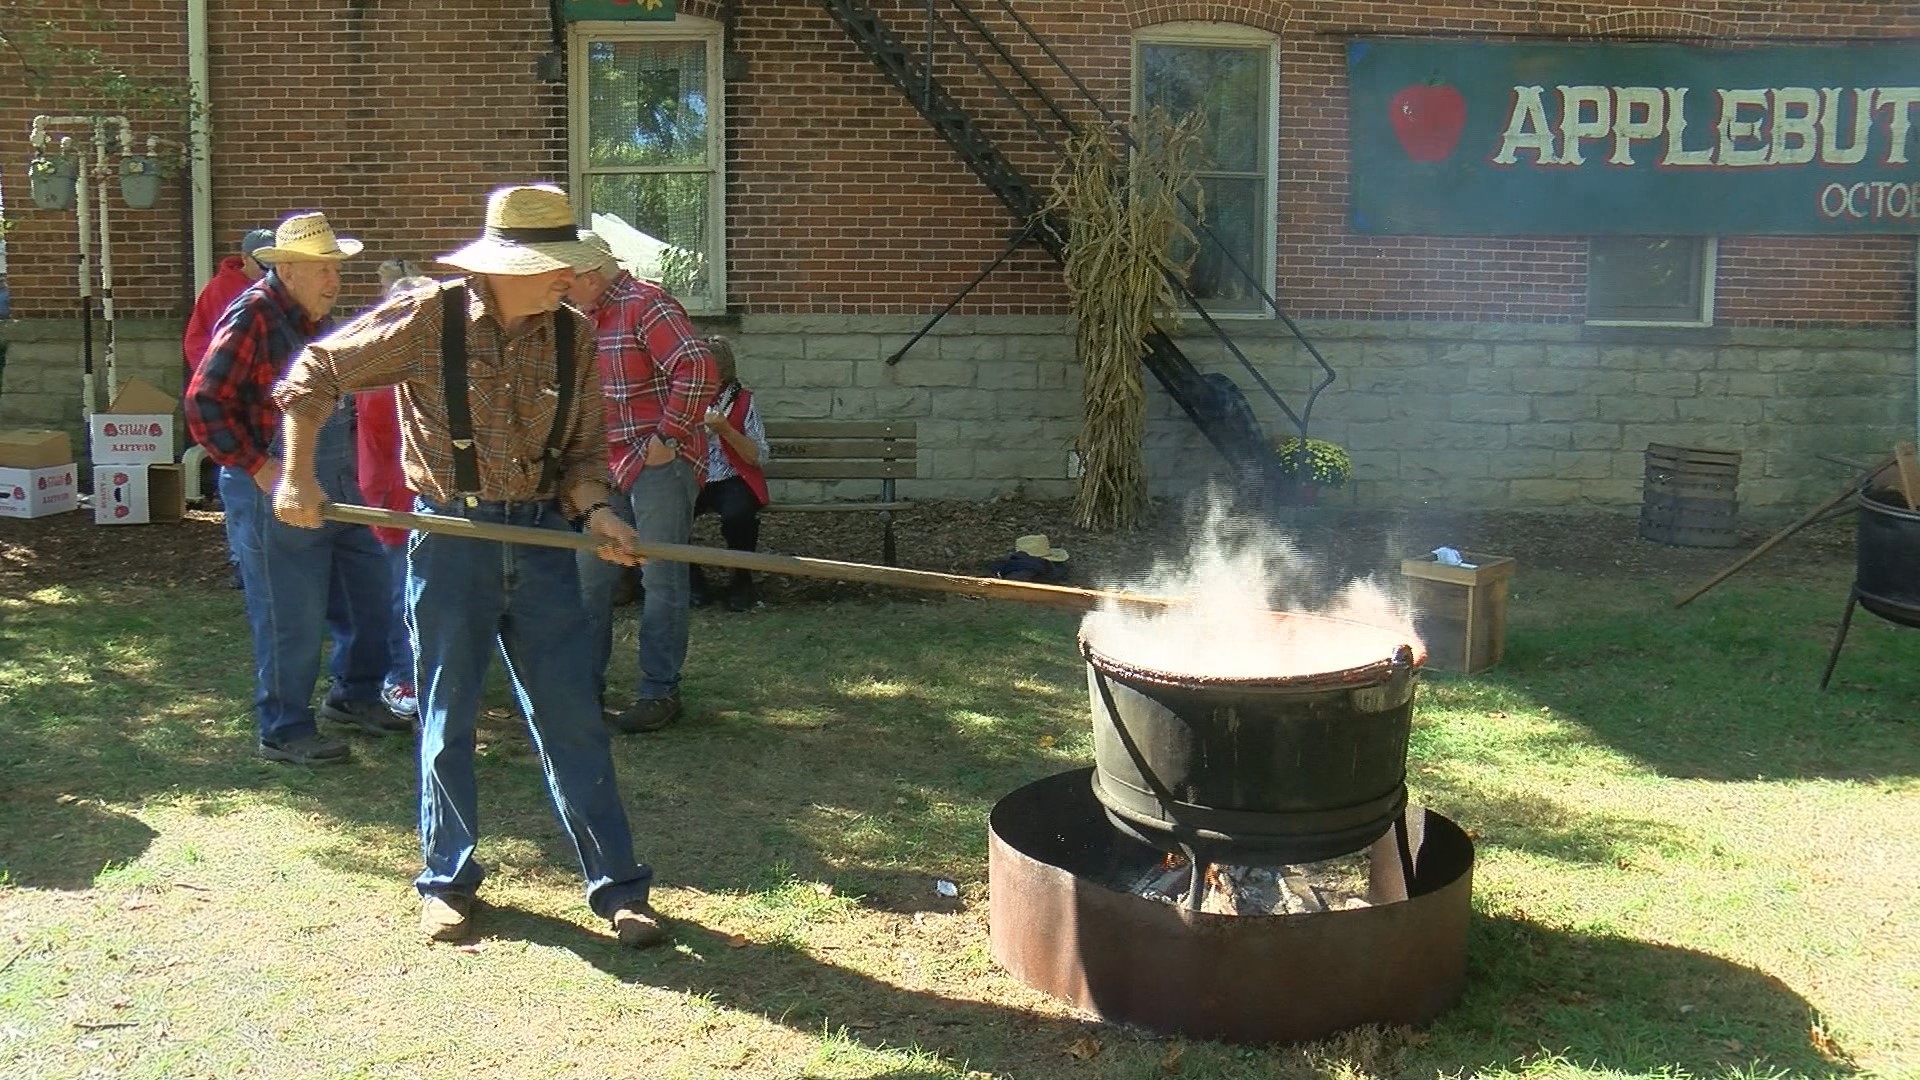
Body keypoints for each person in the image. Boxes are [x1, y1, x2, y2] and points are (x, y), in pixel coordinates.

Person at [268, 183, 664, 948]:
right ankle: (447, 882)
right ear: (513, 263)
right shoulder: (427, 319)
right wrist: (297, 475)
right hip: (451, 536)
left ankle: (619, 889)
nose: (570, 278)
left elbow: (582, 458)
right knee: (447, 719)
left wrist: (603, 512)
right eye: (558, 264)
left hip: (543, 540)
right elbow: (313, 374)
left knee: (572, 718)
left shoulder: (575, 336)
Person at [184, 211, 404, 767]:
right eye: (321, 268)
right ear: (286, 269)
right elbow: (204, 402)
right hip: (272, 486)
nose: (334, 279)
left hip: (336, 481)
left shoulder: (312, 318)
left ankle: (354, 697)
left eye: (336, 267)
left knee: (371, 594)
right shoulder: (254, 314)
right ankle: (284, 728)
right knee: (291, 612)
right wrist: (259, 468)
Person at [565, 232, 717, 734]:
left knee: (662, 576)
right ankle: (582, 691)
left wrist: (668, 437)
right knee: (590, 578)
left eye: (568, 279)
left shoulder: (646, 304)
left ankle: (659, 691)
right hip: (603, 470)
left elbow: (696, 367)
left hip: (657, 465)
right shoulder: (579, 319)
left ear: (591, 275)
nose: (561, 288)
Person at [353, 269, 440, 721]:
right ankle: (401, 678)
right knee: (403, 592)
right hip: (395, 494)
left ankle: (423, 673)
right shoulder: (385, 366)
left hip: (418, 492)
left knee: (424, 590)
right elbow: (399, 439)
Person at [690, 335, 770, 612]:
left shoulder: (743, 401)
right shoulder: (683, 396)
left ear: (722, 371)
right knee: (668, 513)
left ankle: (741, 578)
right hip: (693, 476)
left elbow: (758, 455)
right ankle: (692, 579)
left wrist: (725, 430)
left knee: (738, 516)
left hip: (732, 476)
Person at [183, 227, 274, 378]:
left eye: (273, 267)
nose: (268, 272)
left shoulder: (277, 288)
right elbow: (196, 339)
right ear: (245, 258)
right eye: (263, 266)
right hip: (227, 377)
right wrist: (212, 376)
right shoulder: (219, 289)